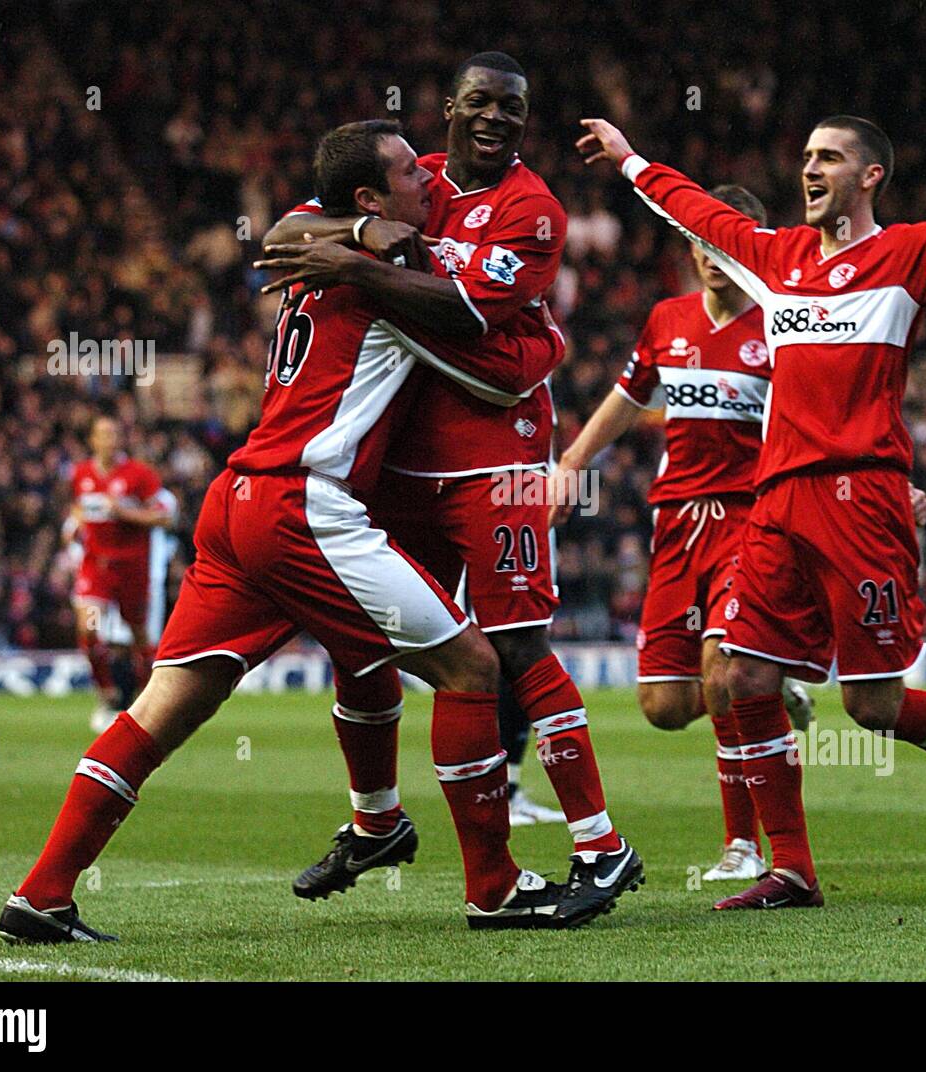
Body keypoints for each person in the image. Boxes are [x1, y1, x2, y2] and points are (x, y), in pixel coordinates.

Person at [0, 120, 577, 944]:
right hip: (304, 504)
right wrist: (546, 337)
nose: (431, 181)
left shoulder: (319, 256)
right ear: (370, 199)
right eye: (413, 172)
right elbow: (484, 334)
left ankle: (43, 891)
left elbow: (292, 230)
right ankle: (494, 887)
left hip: (237, 499)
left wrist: (361, 233)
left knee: (167, 707)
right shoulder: (383, 274)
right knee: (470, 666)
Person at [576, 110, 926, 908]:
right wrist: (630, 160)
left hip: (863, 506)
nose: (811, 170)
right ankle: (791, 868)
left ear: (869, 175)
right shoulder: (775, 257)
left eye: (830, 158)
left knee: (872, 706)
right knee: (741, 676)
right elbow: (699, 213)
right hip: (777, 501)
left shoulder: (907, 255)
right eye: (807, 156)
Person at [257, 52, 642, 928]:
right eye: (480, 103)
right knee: (362, 645)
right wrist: (357, 236)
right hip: (403, 466)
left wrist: (353, 268)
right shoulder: (410, 181)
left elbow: (471, 315)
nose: (496, 119)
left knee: (513, 650)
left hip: (497, 464)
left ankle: (599, 845)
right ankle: (375, 821)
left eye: (513, 107)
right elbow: (282, 236)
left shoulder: (533, 211)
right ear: (448, 110)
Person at [65, 417, 175, 732]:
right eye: (102, 435)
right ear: (93, 440)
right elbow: (78, 507)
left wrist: (123, 512)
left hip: (132, 567)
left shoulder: (140, 475)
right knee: (88, 627)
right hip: (96, 564)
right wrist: (75, 524)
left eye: (114, 434)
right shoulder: (81, 473)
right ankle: (107, 694)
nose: (109, 440)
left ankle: (145, 698)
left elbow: (164, 518)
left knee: (138, 635)